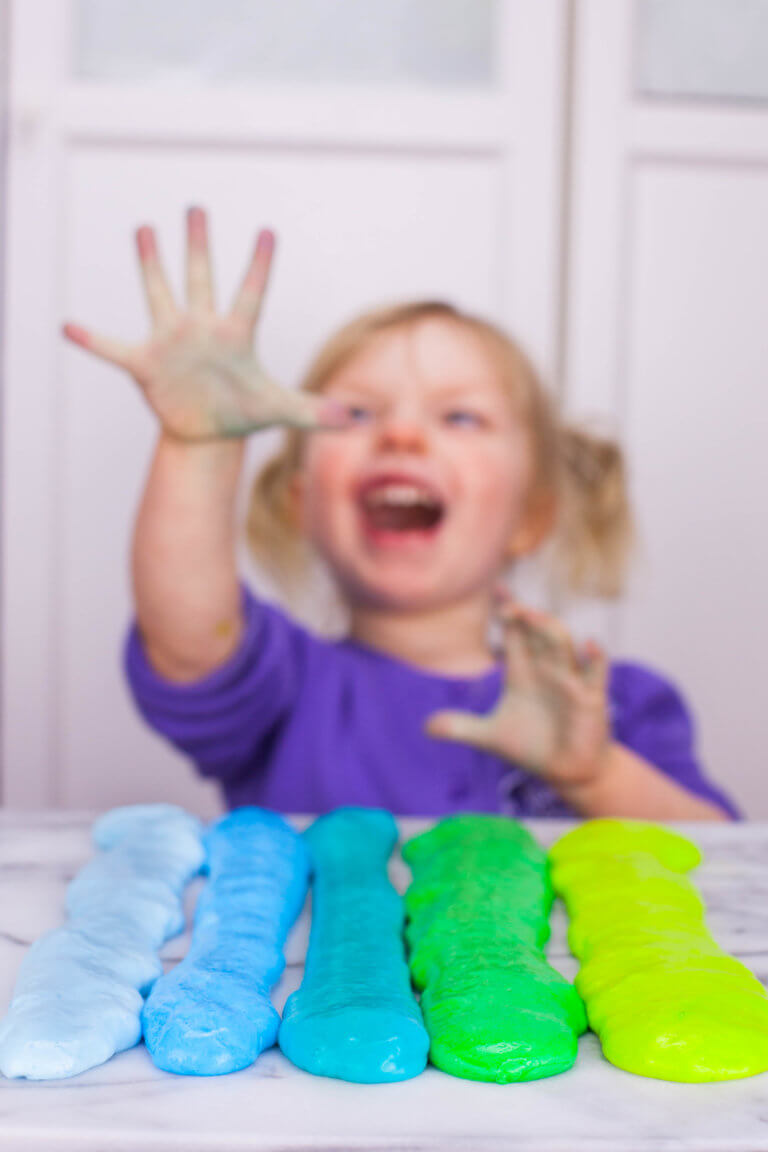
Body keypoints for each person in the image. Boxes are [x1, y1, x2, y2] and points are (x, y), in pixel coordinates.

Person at [63, 207, 737, 821]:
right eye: (357, 413)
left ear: (530, 518)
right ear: (300, 504)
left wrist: (595, 773)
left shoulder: (614, 704)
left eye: (460, 417)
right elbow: (187, 637)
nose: (402, 435)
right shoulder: (285, 690)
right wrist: (197, 447)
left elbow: (727, 863)